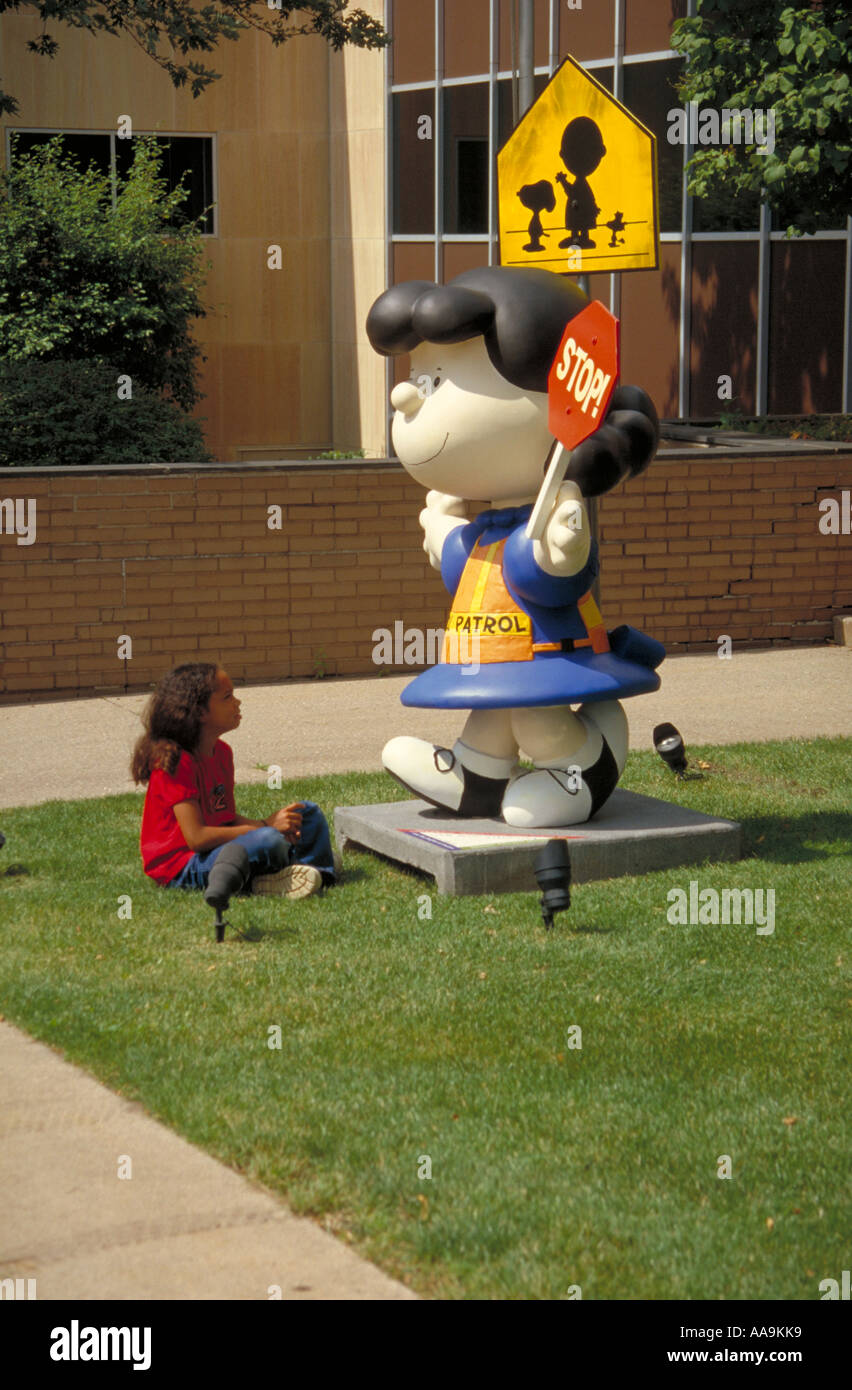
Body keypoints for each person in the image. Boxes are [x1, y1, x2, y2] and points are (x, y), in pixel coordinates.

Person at [131, 662, 338, 897]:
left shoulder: (222, 753)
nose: (237, 702)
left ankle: (317, 872)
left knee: (305, 813)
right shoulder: (175, 762)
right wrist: (266, 826)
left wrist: (271, 825)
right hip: (183, 866)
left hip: (216, 851)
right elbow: (196, 838)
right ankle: (273, 877)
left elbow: (225, 819)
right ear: (199, 712)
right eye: (227, 697)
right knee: (267, 839)